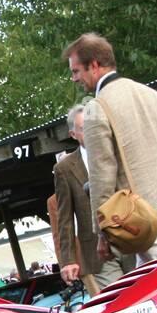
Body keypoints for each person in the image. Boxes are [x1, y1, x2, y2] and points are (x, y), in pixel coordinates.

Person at [65, 33, 157, 268]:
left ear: (95, 66)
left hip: (138, 217)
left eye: (76, 71)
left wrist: (102, 230)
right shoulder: (152, 95)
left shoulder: (95, 109)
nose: (73, 78)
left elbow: (102, 174)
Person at [54, 104, 104, 295]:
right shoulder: (65, 169)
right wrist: (67, 260)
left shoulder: (115, 151)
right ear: (73, 134)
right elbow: (64, 218)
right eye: (83, 128)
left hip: (132, 239)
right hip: (96, 250)